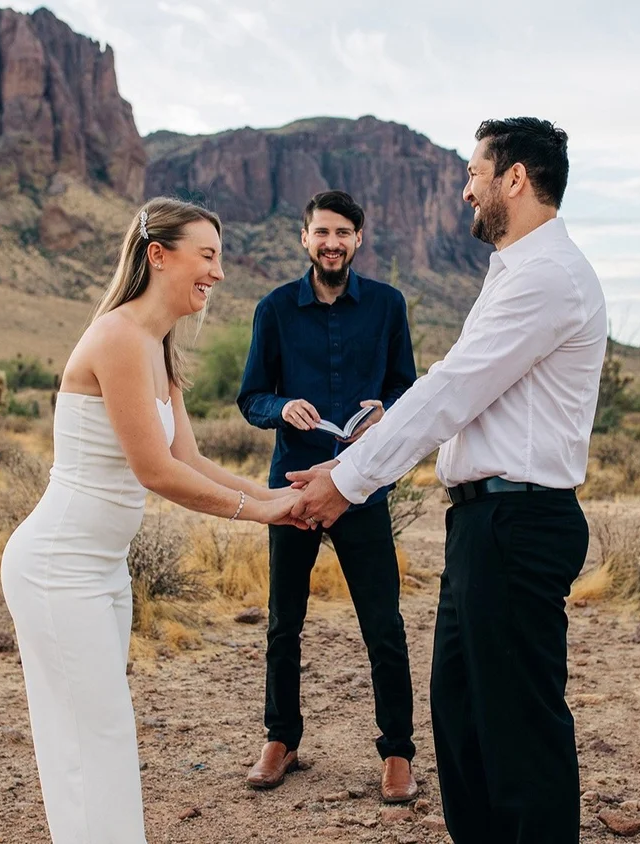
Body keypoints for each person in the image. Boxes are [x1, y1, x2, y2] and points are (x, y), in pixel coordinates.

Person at [288, 118, 607, 843]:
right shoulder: (516, 275)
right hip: (482, 525)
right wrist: (345, 462)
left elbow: (455, 387)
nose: (465, 189)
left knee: (520, 730)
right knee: (463, 721)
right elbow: (455, 392)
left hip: (518, 525)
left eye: (474, 173)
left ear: (515, 178)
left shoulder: (548, 278)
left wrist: (350, 483)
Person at [0, 197, 305, 844]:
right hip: (58, 567)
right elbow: (157, 474)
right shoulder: (116, 337)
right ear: (157, 255)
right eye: (207, 256)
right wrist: (265, 513)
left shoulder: (156, 346)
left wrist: (277, 499)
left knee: (101, 732)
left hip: (103, 568)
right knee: (91, 733)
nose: (218, 274)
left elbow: (189, 457)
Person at [236, 190, 420, 801]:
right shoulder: (274, 310)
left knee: (383, 625)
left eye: (343, 233)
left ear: (358, 239)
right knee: (285, 622)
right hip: (293, 486)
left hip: (361, 486)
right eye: (322, 233)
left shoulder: (388, 307)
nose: (332, 243)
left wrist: (383, 412)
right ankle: (280, 739)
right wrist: (280, 406)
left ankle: (397, 751)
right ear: (304, 239)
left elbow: (406, 387)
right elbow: (251, 397)